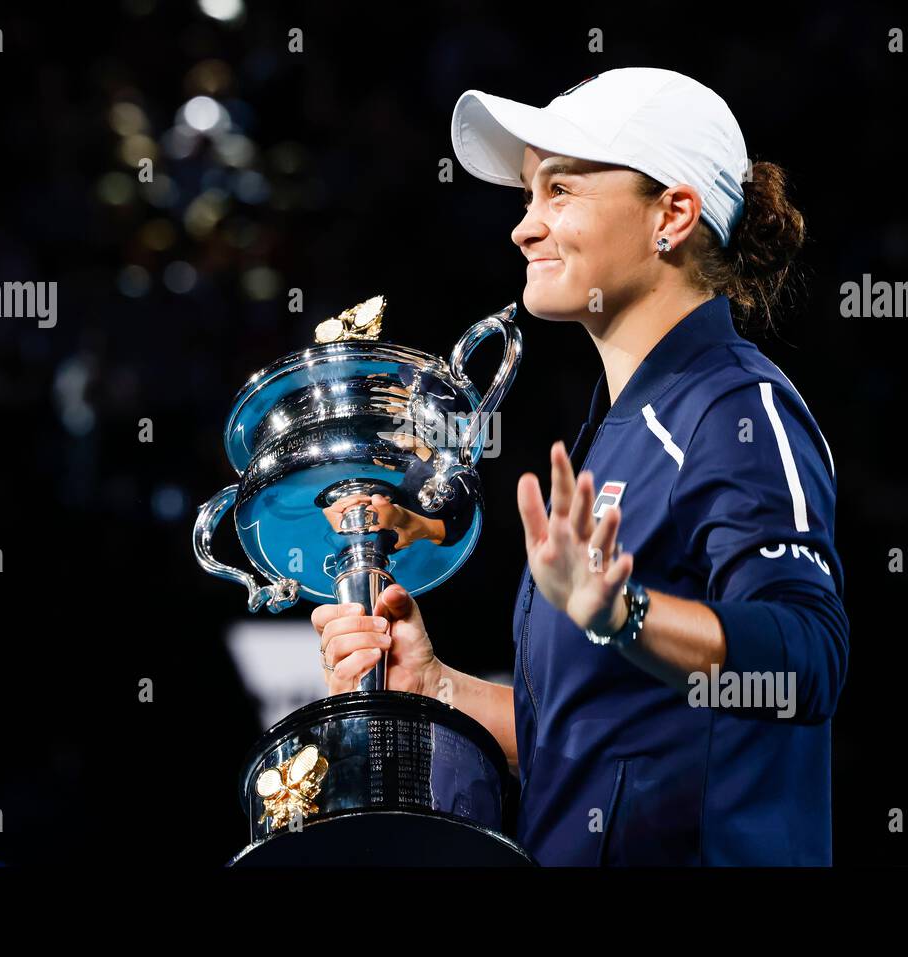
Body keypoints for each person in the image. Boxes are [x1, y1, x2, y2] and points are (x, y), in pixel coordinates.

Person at [312, 67, 849, 865]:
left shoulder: (739, 408)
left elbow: (806, 659)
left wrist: (624, 613)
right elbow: (595, 748)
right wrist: (438, 688)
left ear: (671, 214)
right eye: (529, 197)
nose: (524, 229)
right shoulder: (615, 428)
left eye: (560, 191)